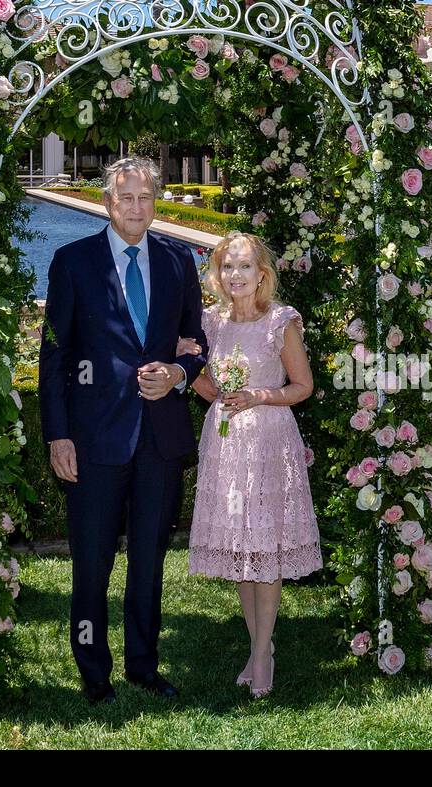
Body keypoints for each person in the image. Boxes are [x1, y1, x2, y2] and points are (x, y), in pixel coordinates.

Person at [38, 157, 209, 704]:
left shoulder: (180, 262)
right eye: (125, 198)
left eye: (145, 198)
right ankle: (93, 671)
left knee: (149, 560)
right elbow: (54, 358)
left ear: (155, 201)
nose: (136, 208)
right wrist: (57, 435)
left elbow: (195, 341)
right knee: (91, 562)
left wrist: (179, 374)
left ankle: (143, 664)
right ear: (108, 203)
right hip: (92, 442)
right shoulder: (72, 262)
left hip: (159, 439)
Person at [181, 231, 322, 698]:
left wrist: (261, 395)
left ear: (262, 274)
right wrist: (216, 394)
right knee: (243, 552)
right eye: (227, 266)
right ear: (216, 274)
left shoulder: (280, 322)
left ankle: (263, 653)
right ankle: (257, 645)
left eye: (244, 266)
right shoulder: (210, 323)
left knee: (265, 548)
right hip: (224, 446)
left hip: (268, 442)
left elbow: (303, 386)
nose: (235, 275)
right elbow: (195, 376)